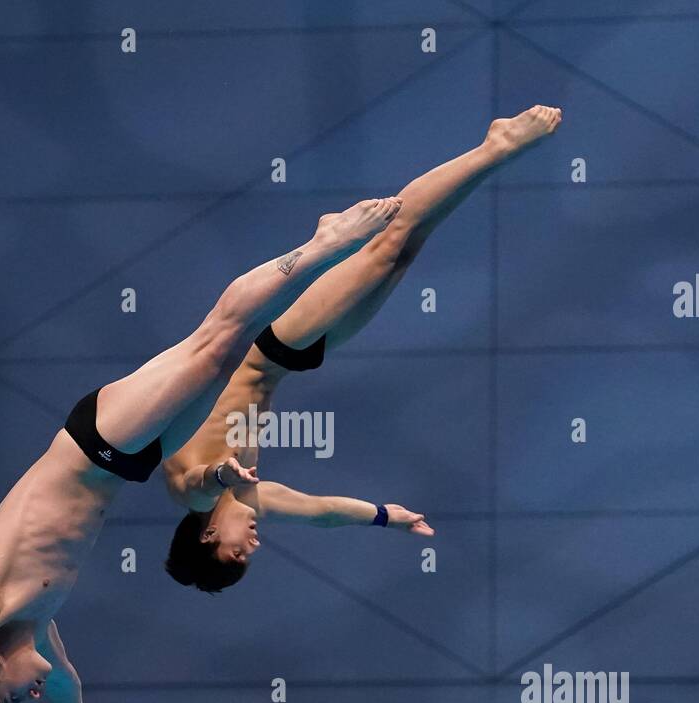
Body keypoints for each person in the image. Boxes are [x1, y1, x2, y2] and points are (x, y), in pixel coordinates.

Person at [0, 197, 403, 703]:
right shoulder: (37, 626)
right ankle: (321, 246)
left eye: (16, 697)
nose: (32, 695)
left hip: (99, 441)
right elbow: (64, 684)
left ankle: (325, 243)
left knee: (216, 341)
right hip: (128, 460)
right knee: (228, 350)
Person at [162, 106, 563, 592]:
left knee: (387, 239)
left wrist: (220, 474)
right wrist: (384, 517)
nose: (255, 544)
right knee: (402, 254)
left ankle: (496, 146)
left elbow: (198, 481)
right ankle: (339, 233)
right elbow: (322, 513)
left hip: (269, 344)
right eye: (250, 555)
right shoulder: (255, 499)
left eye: (238, 551)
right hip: (294, 357)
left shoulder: (196, 500)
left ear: (207, 536)